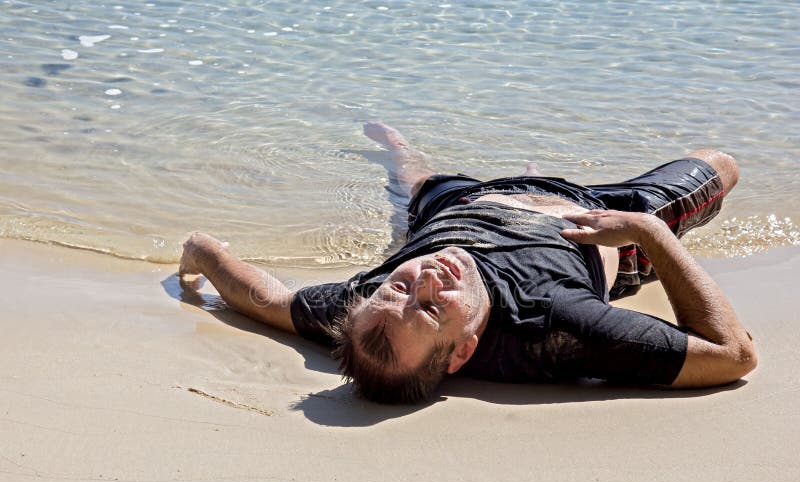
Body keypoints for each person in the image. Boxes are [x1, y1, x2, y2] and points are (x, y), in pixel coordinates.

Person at [179, 123, 757, 404]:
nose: (426, 279)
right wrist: (649, 233)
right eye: (433, 310)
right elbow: (734, 355)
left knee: (412, 180)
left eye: (398, 288)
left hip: (457, 204)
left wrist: (206, 251)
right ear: (462, 352)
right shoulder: (558, 324)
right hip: (599, 214)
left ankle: (401, 153)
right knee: (722, 165)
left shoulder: (371, 313)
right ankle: (546, 175)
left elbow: (270, 300)